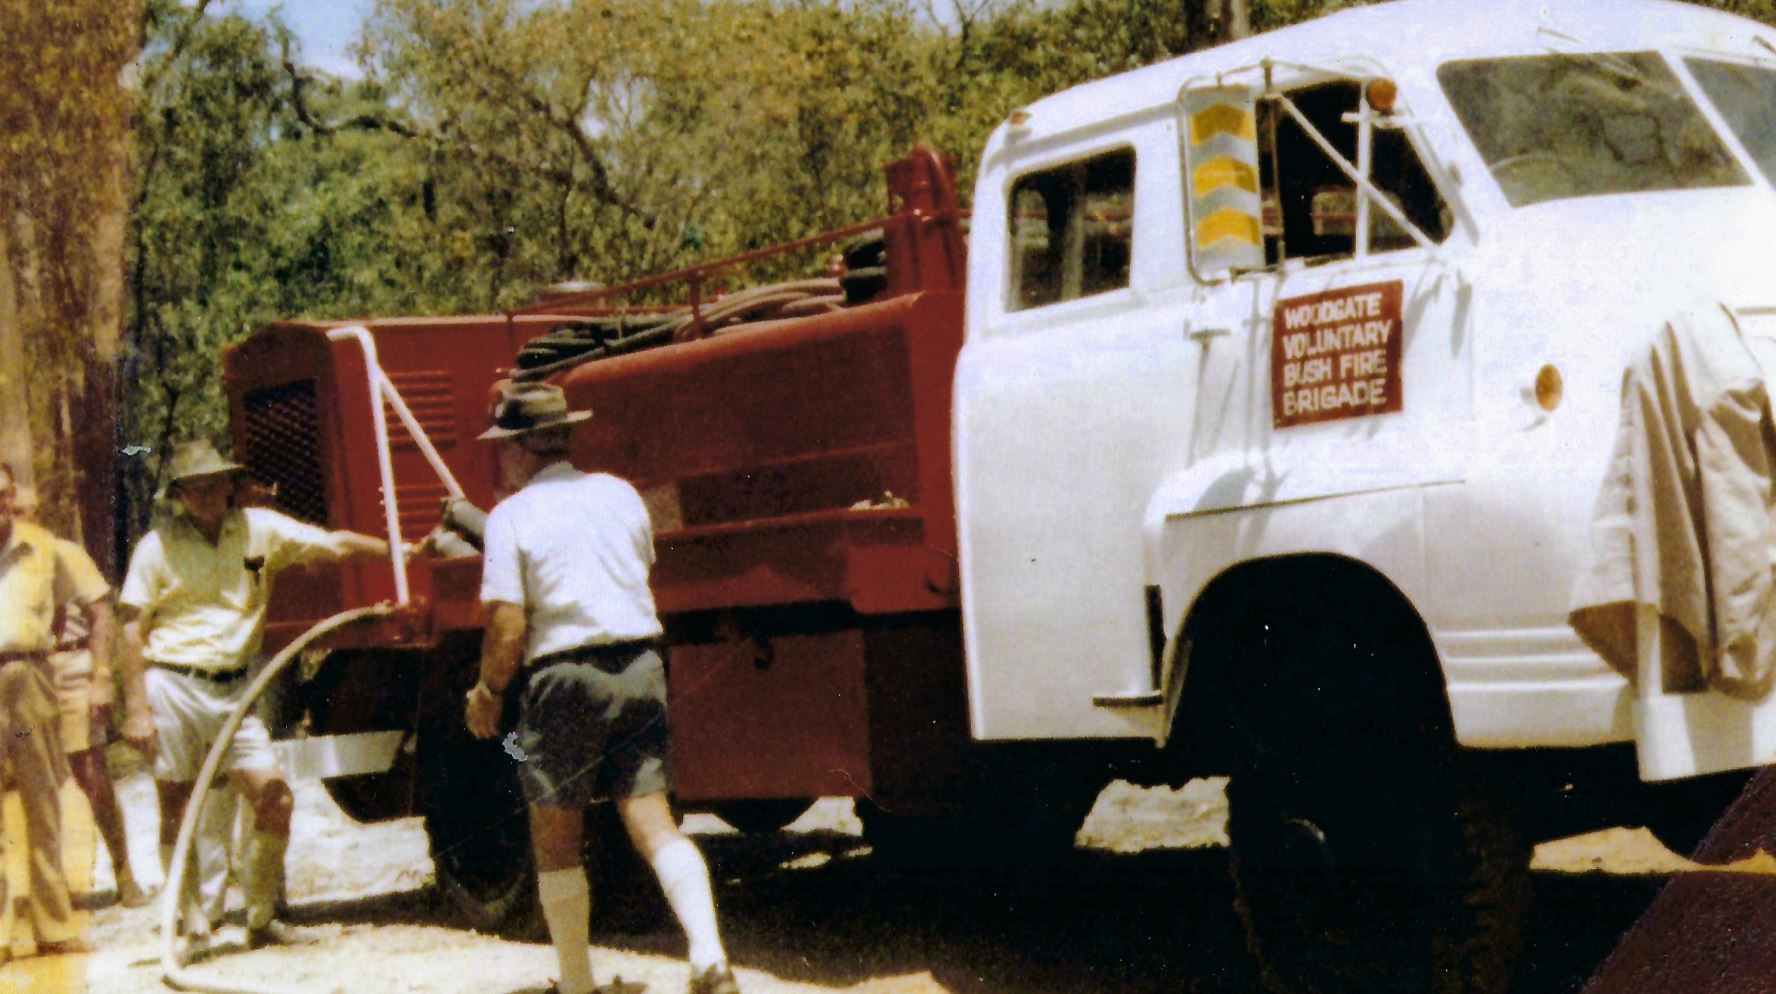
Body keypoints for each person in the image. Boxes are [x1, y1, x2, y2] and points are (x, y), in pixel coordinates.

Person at [464, 382, 740, 994]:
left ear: (517, 449)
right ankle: (710, 960)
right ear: (564, 436)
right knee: (654, 823)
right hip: (640, 665)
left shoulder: (511, 516)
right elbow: (636, 574)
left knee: (556, 839)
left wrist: (487, 693)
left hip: (564, 678)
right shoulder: (620, 495)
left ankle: (577, 984)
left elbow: (508, 625)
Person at [118, 439, 394, 958]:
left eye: (215, 484)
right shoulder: (156, 547)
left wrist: (403, 551)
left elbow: (332, 544)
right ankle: (192, 920)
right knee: (176, 806)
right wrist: (135, 709)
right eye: (194, 488)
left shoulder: (258, 529)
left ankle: (262, 917)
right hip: (172, 684)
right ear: (177, 495)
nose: (206, 495)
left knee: (273, 796)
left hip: (235, 688)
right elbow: (130, 629)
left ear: (230, 486)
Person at [11, 485, 153, 910]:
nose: (18, 518)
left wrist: (101, 676)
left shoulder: (62, 552)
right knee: (30, 784)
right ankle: (46, 894)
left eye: (24, 510)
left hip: (68, 668)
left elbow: (100, 614)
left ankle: (124, 869)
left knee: (91, 774)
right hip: (22, 673)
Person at [0, 462, 106, 959]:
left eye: (3, 494)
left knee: (41, 801)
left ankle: (53, 926)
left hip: (28, 681)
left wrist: (100, 674)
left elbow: (94, 605)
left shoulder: (43, 548)